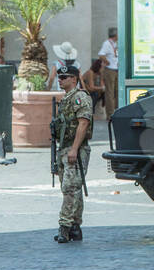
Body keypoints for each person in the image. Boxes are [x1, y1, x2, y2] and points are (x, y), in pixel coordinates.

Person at [51, 62, 92, 244]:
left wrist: (75, 149)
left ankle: (64, 227)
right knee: (72, 189)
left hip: (76, 148)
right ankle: (76, 227)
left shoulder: (80, 97)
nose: (60, 80)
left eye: (64, 77)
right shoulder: (66, 98)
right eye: (59, 77)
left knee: (70, 188)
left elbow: (83, 123)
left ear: (74, 79)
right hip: (64, 148)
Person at [98, 26, 119, 120]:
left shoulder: (115, 43)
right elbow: (101, 55)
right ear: (115, 35)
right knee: (110, 93)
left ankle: (117, 111)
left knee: (117, 91)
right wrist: (107, 62)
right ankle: (110, 114)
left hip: (116, 69)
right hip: (110, 69)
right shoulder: (107, 43)